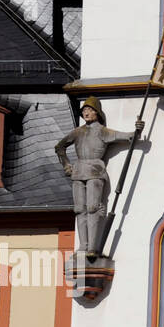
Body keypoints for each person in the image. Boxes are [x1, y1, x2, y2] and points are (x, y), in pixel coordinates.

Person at [55, 97, 143, 258]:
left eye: (90, 109)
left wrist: (137, 130)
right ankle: (83, 245)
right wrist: (67, 165)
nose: (86, 112)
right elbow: (59, 147)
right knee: (79, 210)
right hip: (78, 170)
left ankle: (92, 247)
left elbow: (128, 137)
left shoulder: (103, 131)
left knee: (92, 208)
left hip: (95, 170)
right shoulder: (78, 132)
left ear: (97, 112)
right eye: (84, 110)